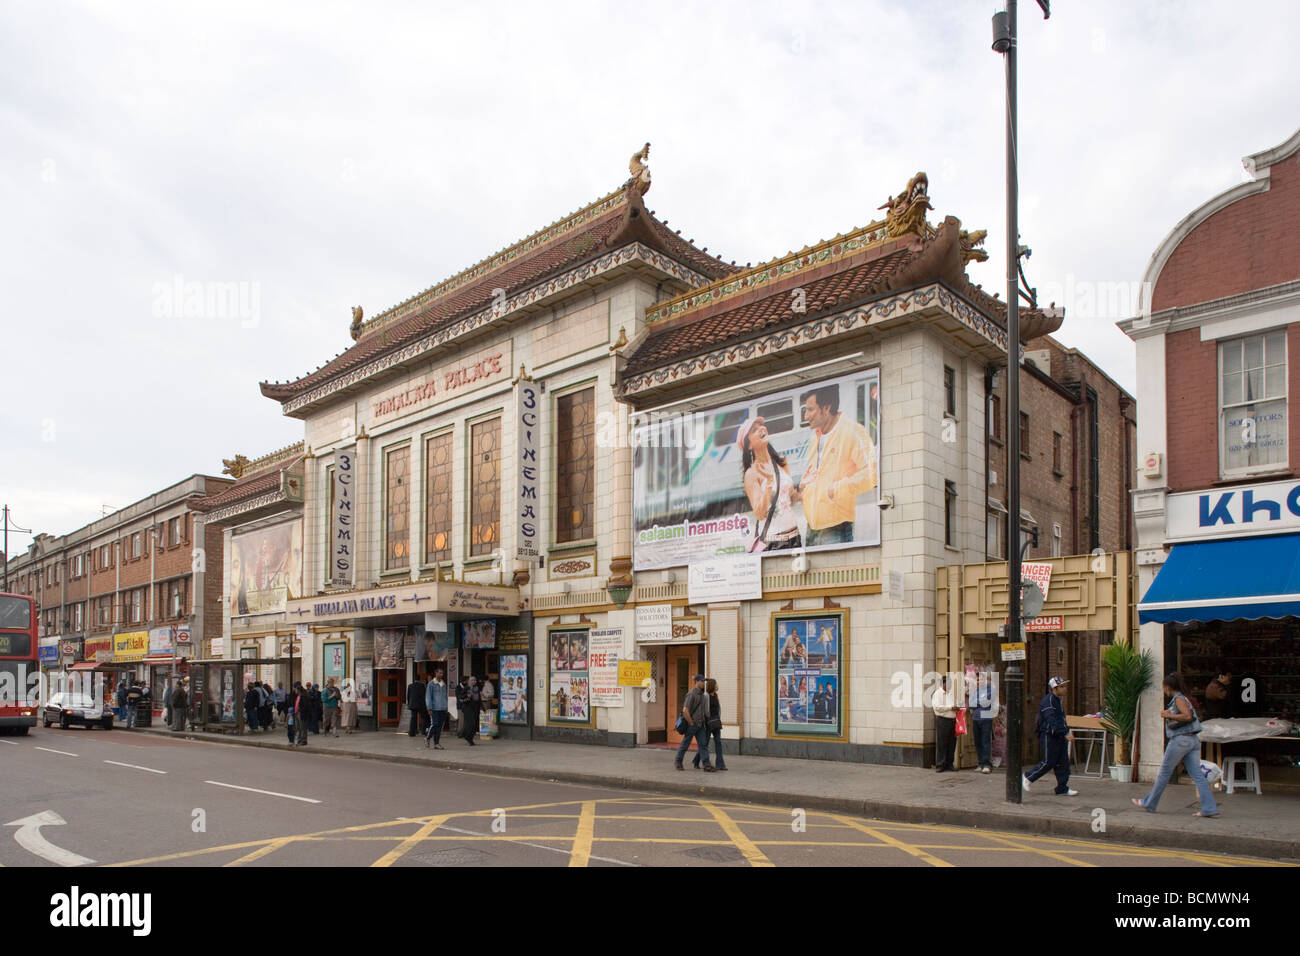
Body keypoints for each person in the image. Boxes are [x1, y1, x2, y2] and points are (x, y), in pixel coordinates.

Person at [797, 384, 878, 547]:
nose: (806, 416)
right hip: (812, 528)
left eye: (810, 409)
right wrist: (804, 487)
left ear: (826, 408)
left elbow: (872, 473)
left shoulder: (853, 432)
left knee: (837, 572)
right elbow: (816, 474)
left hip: (836, 527)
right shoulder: (815, 439)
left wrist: (835, 489)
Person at [1132, 673, 1219, 818]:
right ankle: (1208, 808)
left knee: (1164, 773)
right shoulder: (1182, 698)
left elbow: (1187, 716)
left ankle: (1149, 803)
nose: (1163, 689)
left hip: (1180, 741)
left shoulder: (1178, 698)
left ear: (1167, 687)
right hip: (1192, 740)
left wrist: (1168, 715)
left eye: (1163, 686)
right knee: (1198, 775)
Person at [736, 416, 803, 551]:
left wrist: (802, 490)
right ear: (749, 445)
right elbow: (760, 513)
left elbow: (789, 500)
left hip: (794, 536)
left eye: (761, 425)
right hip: (773, 542)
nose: (761, 428)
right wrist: (769, 483)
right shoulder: (752, 473)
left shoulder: (781, 462)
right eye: (754, 430)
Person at [1023, 677, 1077, 796]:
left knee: (1063, 763)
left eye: (1064, 686)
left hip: (1058, 735)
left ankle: (1062, 788)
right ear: (1055, 688)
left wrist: (1065, 731)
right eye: (1062, 687)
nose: (1065, 689)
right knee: (1049, 761)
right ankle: (1028, 777)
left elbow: (1060, 720)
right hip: (1049, 735)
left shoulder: (1057, 700)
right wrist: (1066, 732)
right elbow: (1052, 720)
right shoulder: (1049, 701)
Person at [675, 674, 714, 771]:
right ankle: (678, 762)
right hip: (692, 725)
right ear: (696, 682)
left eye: (704, 681)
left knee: (703, 745)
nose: (704, 683)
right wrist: (691, 722)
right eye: (702, 681)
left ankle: (706, 765)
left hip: (700, 725)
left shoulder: (701, 694)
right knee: (685, 744)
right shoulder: (691, 694)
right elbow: (685, 710)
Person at [692, 678, 727, 771]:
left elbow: (718, 709)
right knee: (705, 744)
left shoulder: (716, 696)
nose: (717, 685)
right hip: (708, 724)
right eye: (716, 684)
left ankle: (720, 764)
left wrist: (719, 718)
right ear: (712, 685)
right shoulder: (706, 696)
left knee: (718, 743)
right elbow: (703, 710)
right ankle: (696, 760)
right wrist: (705, 720)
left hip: (716, 722)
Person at [967, 665, 996, 774]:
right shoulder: (975, 691)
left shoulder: (991, 689)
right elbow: (971, 704)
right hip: (976, 717)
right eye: (977, 680)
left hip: (986, 717)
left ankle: (986, 764)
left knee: (985, 741)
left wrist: (977, 702)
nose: (979, 682)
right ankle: (980, 763)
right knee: (977, 741)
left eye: (981, 679)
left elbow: (986, 702)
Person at [932, 675, 958, 772]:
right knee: (942, 743)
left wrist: (957, 707)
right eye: (949, 684)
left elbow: (954, 704)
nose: (950, 686)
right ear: (943, 684)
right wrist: (950, 708)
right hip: (943, 720)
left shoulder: (951, 694)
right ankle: (940, 764)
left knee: (952, 743)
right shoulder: (937, 694)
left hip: (952, 720)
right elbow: (937, 707)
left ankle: (949, 763)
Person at [425, 668, 449, 749]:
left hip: (443, 708)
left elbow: (445, 696)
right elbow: (428, 697)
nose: (441, 675)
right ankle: (428, 738)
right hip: (434, 708)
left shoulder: (443, 684)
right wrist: (429, 708)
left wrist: (446, 707)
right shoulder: (431, 684)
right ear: (436, 673)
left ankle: (436, 743)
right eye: (440, 673)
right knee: (434, 724)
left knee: (440, 726)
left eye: (442, 673)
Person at [459, 676, 481, 745]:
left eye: (474, 680)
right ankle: (467, 737)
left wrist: (483, 708)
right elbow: (460, 696)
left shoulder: (477, 688)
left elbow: (479, 699)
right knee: (470, 724)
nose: (473, 682)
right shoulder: (467, 688)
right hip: (467, 708)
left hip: (475, 708)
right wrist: (467, 696)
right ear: (469, 681)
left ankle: (469, 738)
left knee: (474, 724)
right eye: (472, 680)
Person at [407, 673, 428, 737]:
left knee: (413, 718)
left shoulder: (410, 685)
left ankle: (412, 732)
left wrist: (409, 703)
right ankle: (423, 731)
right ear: (419, 679)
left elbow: (408, 696)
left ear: (414, 679)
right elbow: (423, 695)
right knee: (424, 717)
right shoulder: (422, 685)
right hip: (421, 704)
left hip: (412, 704)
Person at [292, 681, 309, 746]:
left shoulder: (303, 696)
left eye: (296, 689)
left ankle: (303, 740)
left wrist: (300, 709)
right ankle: (299, 740)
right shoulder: (298, 696)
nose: (295, 691)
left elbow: (305, 706)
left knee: (303, 728)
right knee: (298, 728)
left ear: (298, 690)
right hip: (297, 713)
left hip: (301, 713)